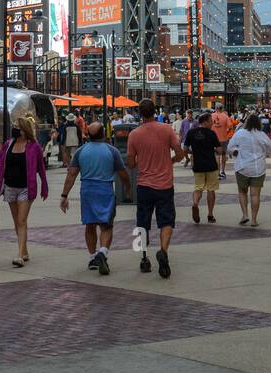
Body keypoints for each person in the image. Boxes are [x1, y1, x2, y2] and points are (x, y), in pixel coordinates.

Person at [126, 99, 186, 278]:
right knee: (166, 220)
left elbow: (130, 162)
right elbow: (180, 152)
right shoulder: (166, 130)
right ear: (155, 111)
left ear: (139, 113)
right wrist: (171, 160)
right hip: (165, 184)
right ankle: (163, 250)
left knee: (142, 222)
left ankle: (144, 258)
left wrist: (139, 161)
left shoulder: (134, 134)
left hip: (144, 185)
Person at [60, 122, 127, 274]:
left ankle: (92, 257)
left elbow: (72, 174)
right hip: (105, 190)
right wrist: (127, 187)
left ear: (88, 136)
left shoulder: (80, 151)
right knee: (106, 226)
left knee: (90, 225)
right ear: (103, 134)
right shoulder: (112, 151)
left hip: (87, 190)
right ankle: (102, 252)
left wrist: (64, 195)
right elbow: (123, 173)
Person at [0, 115, 49, 267]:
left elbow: (41, 169)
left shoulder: (34, 147)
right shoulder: (8, 144)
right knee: (16, 221)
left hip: (26, 187)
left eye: (17, 127)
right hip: (10, 187)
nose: (14, 130)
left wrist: (44, 187)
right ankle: (24, 250)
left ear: (24, 130)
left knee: (21, 220)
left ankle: (19, 255)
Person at [228, 114, 271, 227]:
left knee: (242, 192)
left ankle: (245, 214)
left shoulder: (240, 133)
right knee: (255, 195)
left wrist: (235, 151)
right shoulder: (262, 135)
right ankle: (254, 219)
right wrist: (264, 153)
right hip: (258, 168)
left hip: (242, 167)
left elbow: (229, 147)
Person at [183, 112, 222, 224]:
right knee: (211, 189)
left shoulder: (191, 133)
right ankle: (210, 215)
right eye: (211, 121)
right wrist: (214, 150)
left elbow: (185, 149)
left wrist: (190, 154)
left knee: (198, 187)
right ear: (205, 121)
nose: (212, 123)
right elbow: (219, 150)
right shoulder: (211, 134)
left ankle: (195, 203)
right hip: (210, 165)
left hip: (198, 164)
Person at [210, 103, 232, 179]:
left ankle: (217, 172)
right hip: (223, 139)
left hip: (213, 139)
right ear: (222, 108)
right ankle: (222, 171)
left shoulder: (211, 116)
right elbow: (230, 126)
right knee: (223, 155)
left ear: (215, 108)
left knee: (216, 155)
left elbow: (208, 127)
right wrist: (226, 132)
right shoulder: (226, 116)